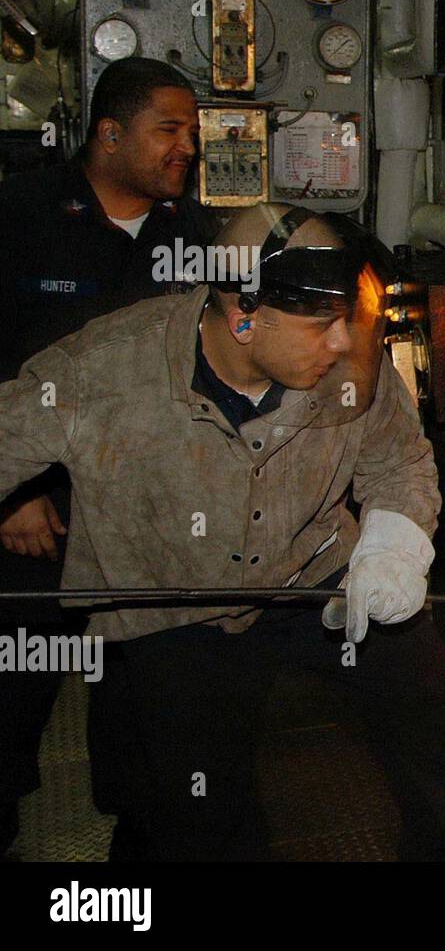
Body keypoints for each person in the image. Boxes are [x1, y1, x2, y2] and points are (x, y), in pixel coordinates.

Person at [0, 203, 445, 860]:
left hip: (312, 572)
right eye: (324, 326)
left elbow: (400, 464)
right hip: (176, 604)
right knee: (199, 812)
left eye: (349, 323)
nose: (344, 345)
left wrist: (393, 546)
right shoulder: (106, 370)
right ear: (243, 314)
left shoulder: (351, 367)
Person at [0, 57, 214, 857]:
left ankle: (134, 871)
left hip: (142, 523)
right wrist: (9, 496)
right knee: (13, 703)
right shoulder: (18, 217)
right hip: (34, 521)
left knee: (148, 721)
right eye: (169, 129)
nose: (186, 147)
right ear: (109, 132)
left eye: (191, 132)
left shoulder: (190, 237)